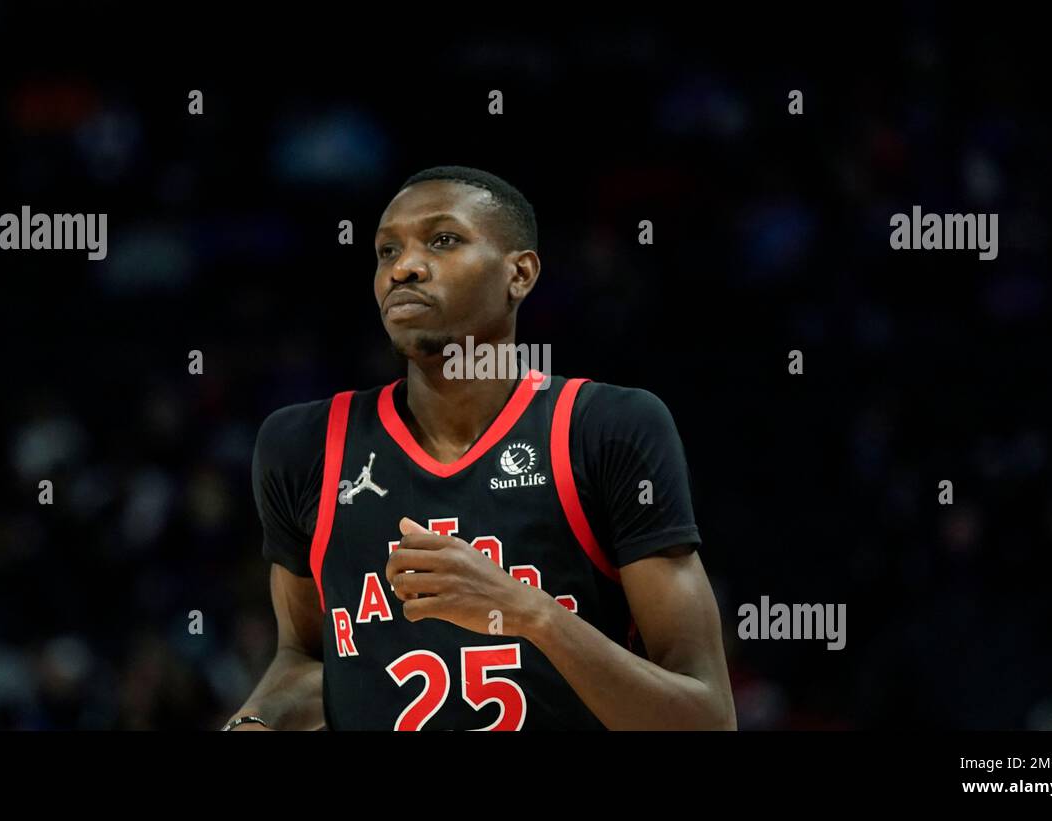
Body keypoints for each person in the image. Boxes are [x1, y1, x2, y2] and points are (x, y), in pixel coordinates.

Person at [225, 166, 735, 730]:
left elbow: (705, 717)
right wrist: (255, 721)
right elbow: (309, 660)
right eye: (386, 250)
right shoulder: (304, 444)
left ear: (519, 273)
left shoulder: (607, 427)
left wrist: (526, 612)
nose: (404, 267)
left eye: (444, 240)